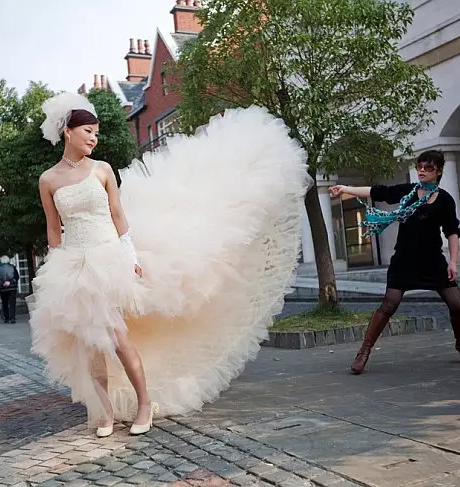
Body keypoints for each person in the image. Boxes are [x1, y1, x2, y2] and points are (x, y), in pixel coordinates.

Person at [28, 93, 310, 437]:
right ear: (67, 132)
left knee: (117, 335)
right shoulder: (48, 180)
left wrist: (130, 256)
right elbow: (52, 228)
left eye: (96, 133)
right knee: (89, 344)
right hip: (73, 263)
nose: (93, 138)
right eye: (88, 131)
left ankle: (144, 403)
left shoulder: (101, 170)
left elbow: (118, 215)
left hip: (107, 258)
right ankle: (103, 413)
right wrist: (54, 271)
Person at [329, 150, 460, 375]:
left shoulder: (446, 200)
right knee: (389, 304)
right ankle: (363, 353)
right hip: (404, 259)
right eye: (420, 166)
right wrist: (345, 189)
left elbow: (452, 232)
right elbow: (376, 191)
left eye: (428, 167)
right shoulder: (407, 192)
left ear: (438, 171)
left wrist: (453, 262)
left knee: (457, 305)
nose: (422, 170)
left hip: (432, 260)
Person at [0, 256, 19, 323]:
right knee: (12, 303)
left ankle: (6, 318)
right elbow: (16, 277)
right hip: (12, 287)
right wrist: (10, 282)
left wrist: (2, 283)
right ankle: (12, 318)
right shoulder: (12, 267)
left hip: (3, 289)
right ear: (8, 260)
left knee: (5, 303)